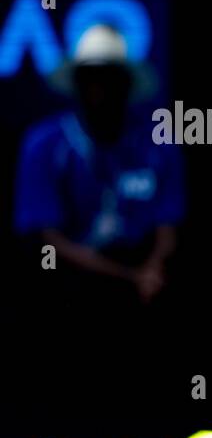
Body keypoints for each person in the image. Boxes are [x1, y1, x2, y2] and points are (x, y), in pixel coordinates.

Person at [13, 24, 183, 311]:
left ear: (127, 83)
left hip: (146, 285)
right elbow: (46, 242)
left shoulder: (159, 143)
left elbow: (169, 224)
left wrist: (153, 269)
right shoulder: (42, 145)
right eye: (90, 77)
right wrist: (128, 278)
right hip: (68, 290)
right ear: (76, 82)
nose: (99, 89)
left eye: (109, 78)